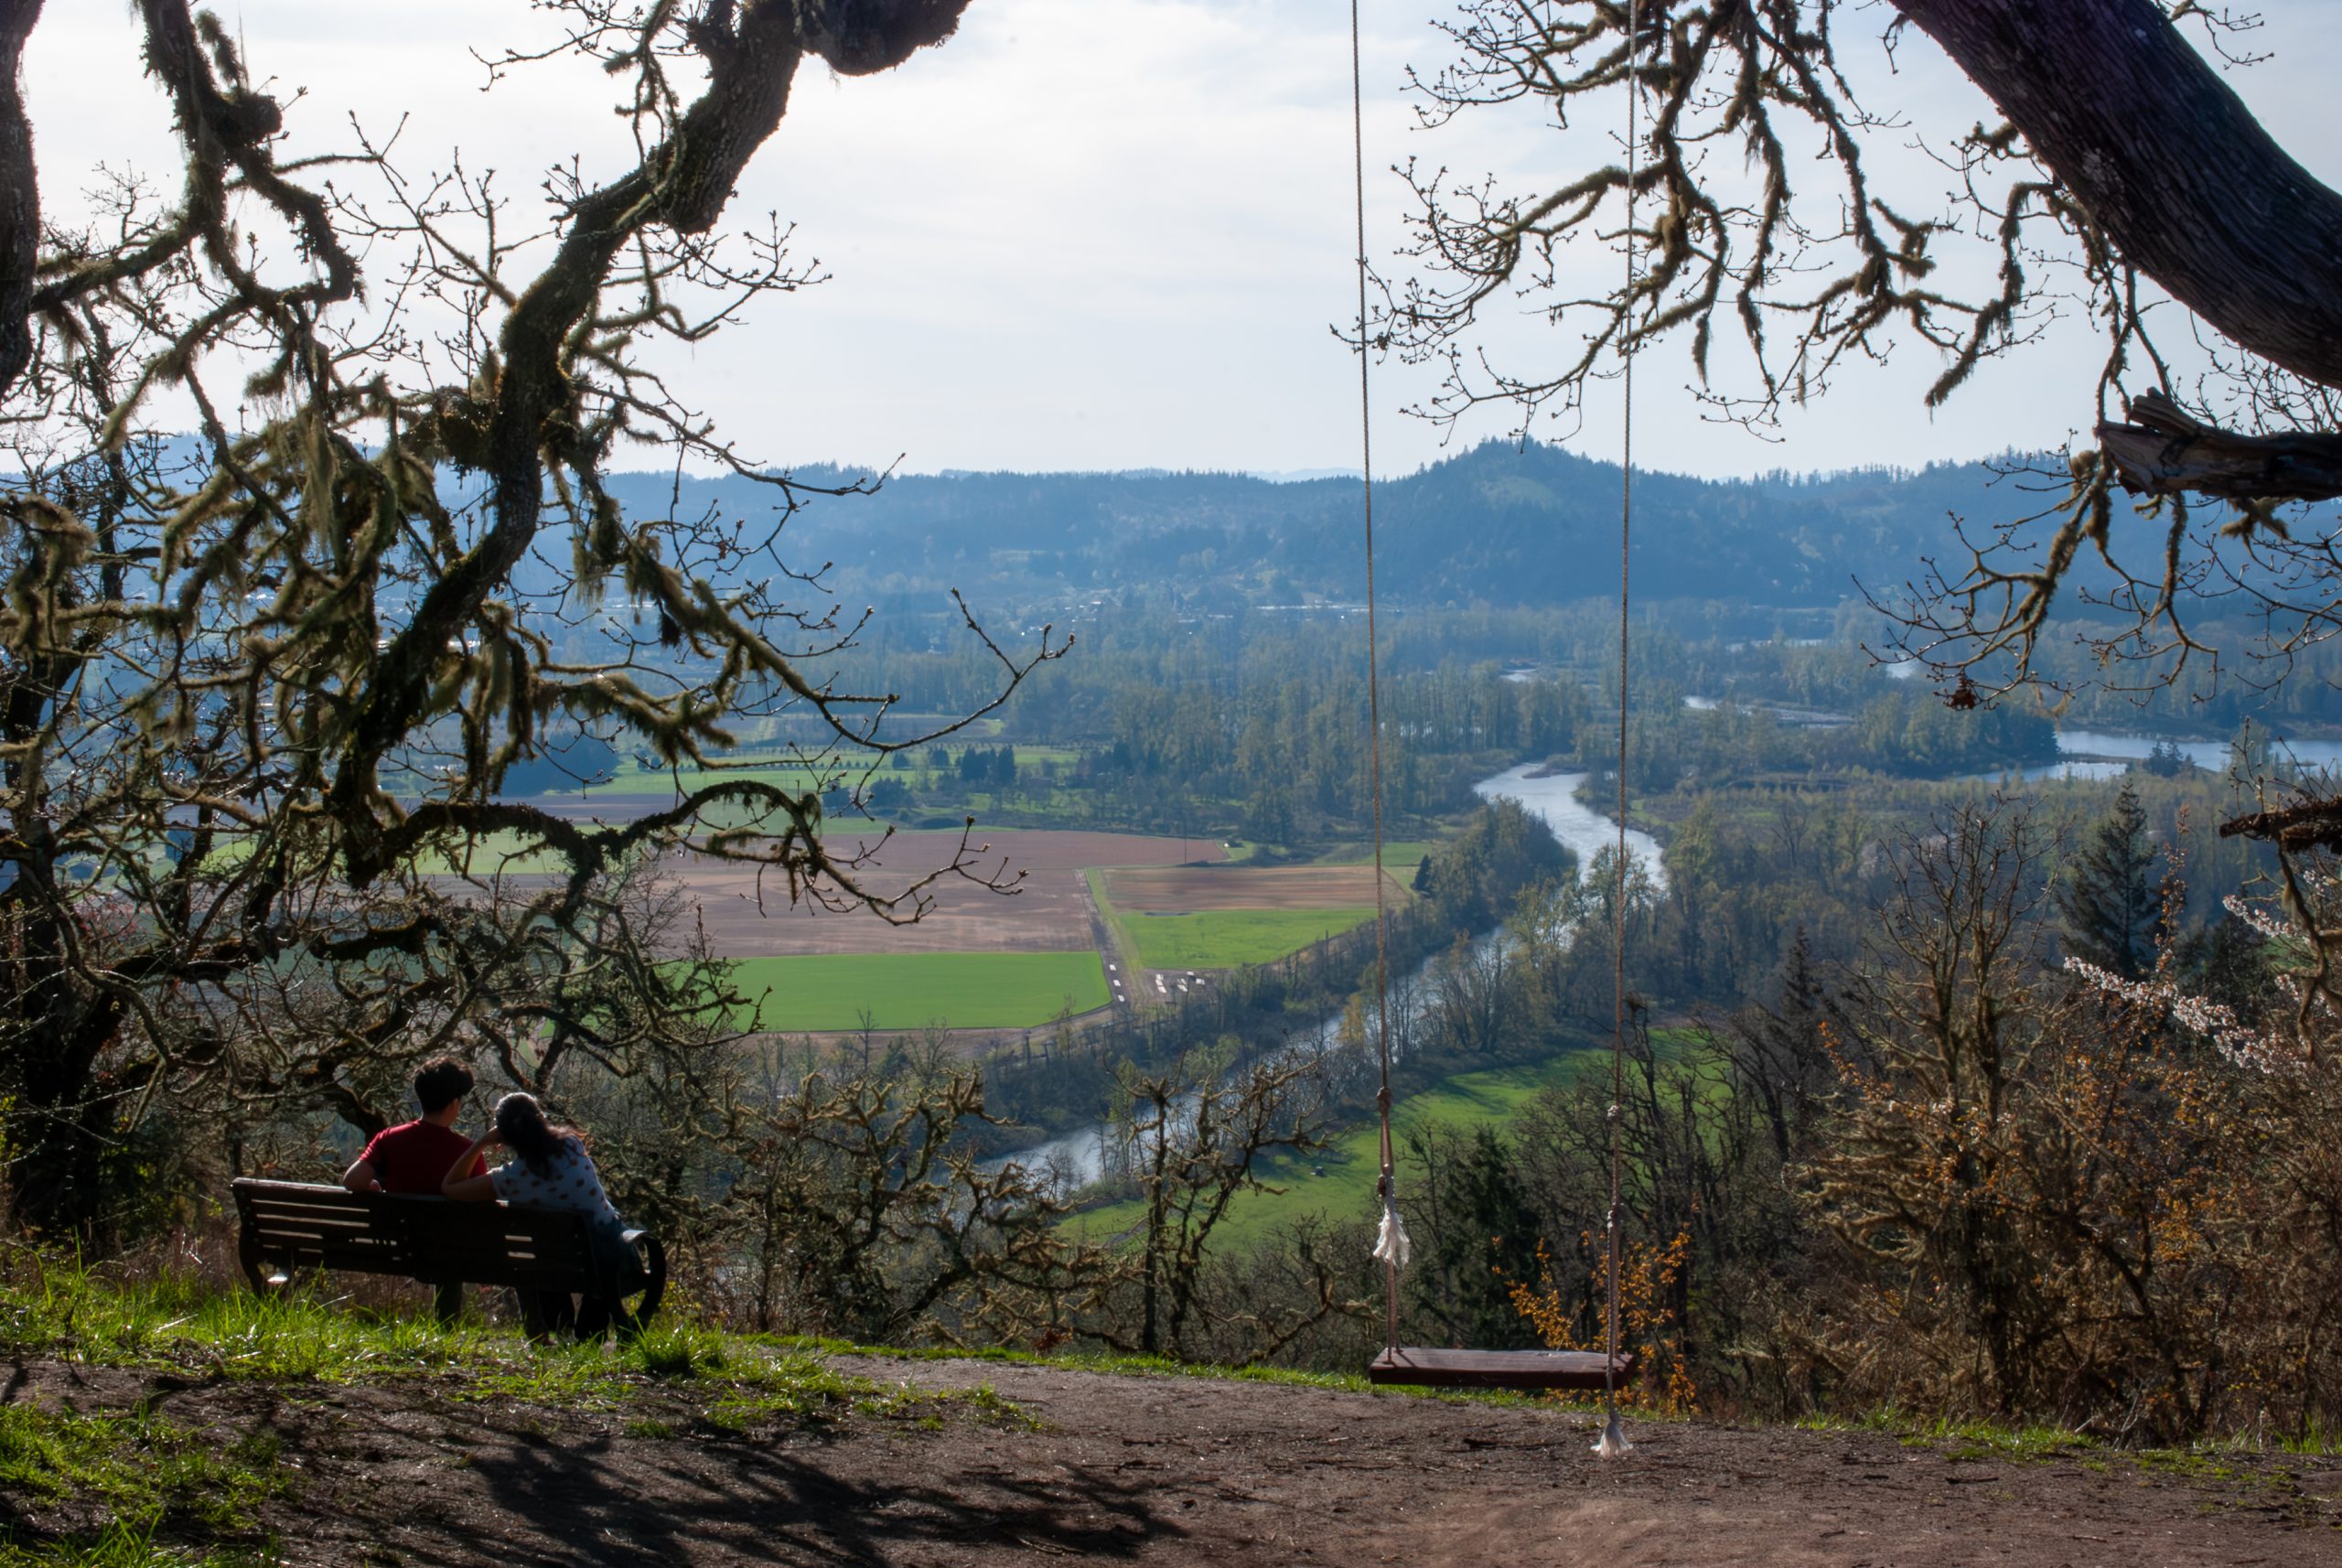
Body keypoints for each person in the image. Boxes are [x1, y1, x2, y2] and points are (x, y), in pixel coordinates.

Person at [442, 1091, 640, 1339]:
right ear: (541, 1120)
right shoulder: (573, 1145)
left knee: (546, 1254)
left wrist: (481, 1142)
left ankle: (564, 1331)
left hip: (554, 1266)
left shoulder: (511, 1179)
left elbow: (450, 1187)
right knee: (583, 1252)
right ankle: (588, 1335)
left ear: (504, 1136)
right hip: (609, 1256)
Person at [343, 1058, 487, 1195]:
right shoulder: (469, 1153)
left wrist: (372, 1185)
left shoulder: (389, 1139)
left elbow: (352, 1181)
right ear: (454, 1103)